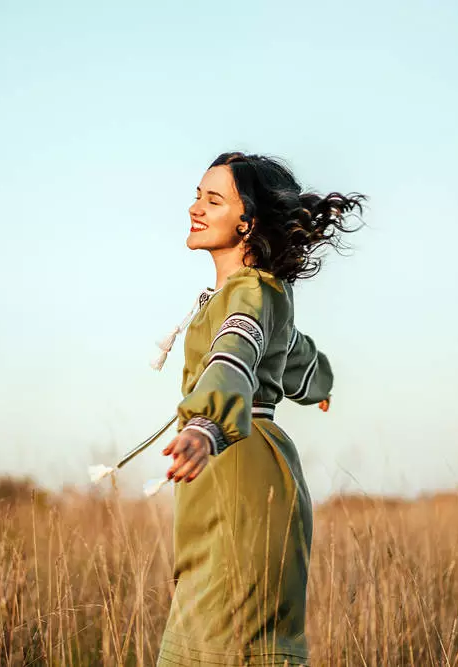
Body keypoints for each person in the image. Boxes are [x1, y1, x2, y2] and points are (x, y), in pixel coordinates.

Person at [154, 152, 364, 666]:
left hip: (240, 470)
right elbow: (292, 352)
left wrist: (205, 424)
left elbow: (237, 354)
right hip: (228, 468)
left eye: (213, 199)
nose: (195, 208)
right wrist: (319, 386)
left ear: (247, 221)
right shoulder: (258, 291)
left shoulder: (249, 292)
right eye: (197, 195)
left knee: (231, 645)